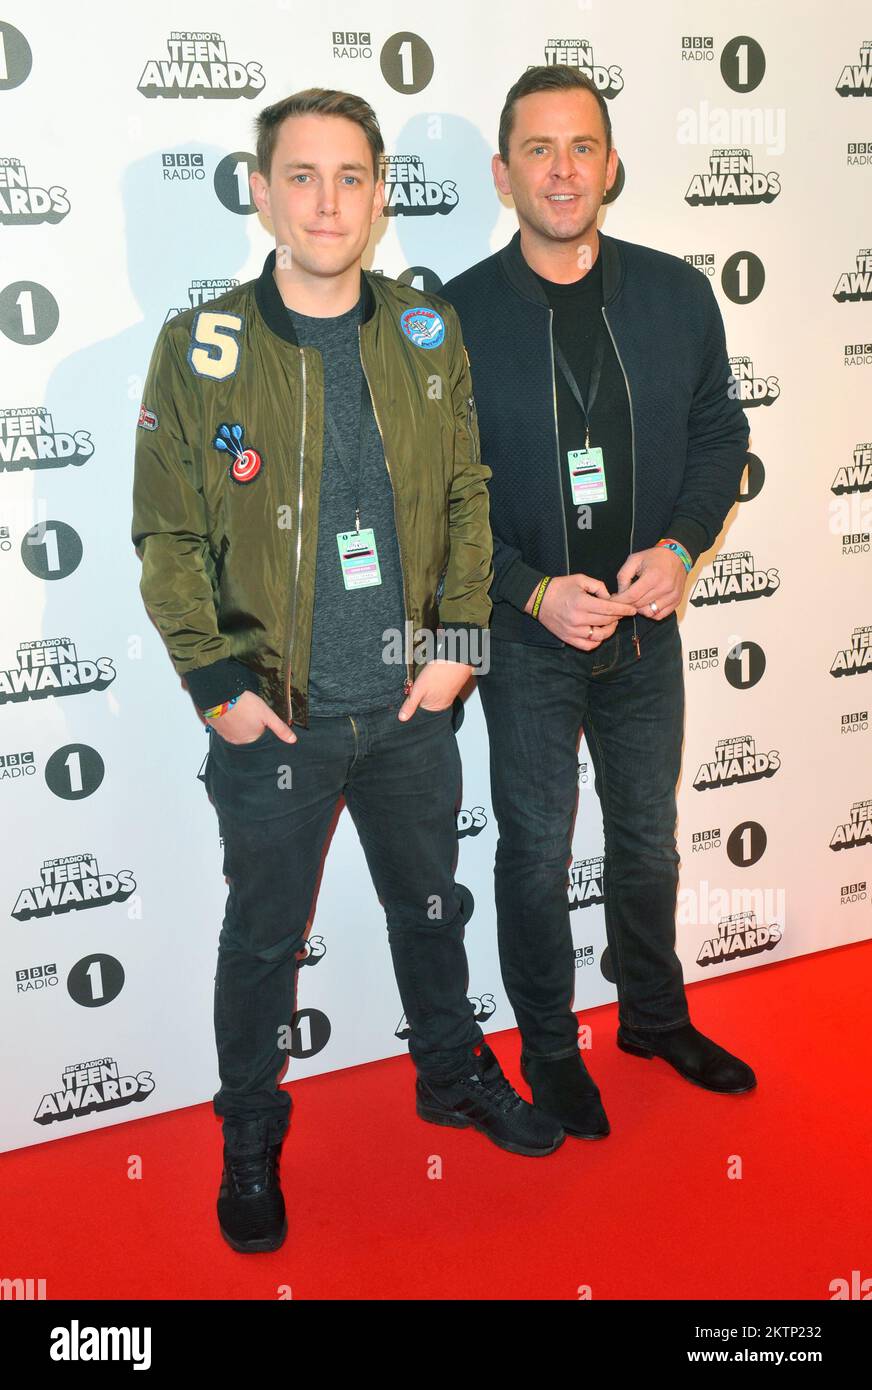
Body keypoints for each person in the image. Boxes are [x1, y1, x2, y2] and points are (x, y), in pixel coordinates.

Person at [131, 87, 564, 1254]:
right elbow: (167, 530)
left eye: (351, 177)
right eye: (303, 176)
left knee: (431, 910)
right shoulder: (203, 346)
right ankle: (248, 1133)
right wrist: (217, 685)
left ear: (378, 196)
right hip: (282, 719)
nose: (329, 201)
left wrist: (459, 653)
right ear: (261, 192)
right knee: (264, 940)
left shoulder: (422, 329)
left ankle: (445, 1072)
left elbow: (470, 497)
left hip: (414, 710)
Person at [441, 65, 756, 1142]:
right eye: (537, 149)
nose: (561, 170)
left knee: (649, 837)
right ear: (501, 172)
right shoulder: (453, 316)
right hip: (526, 635)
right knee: (530, 849)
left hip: (643, 627)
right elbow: (435, 491)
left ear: (611, 164)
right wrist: (525, 590)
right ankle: (544, 1045)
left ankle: (652, 1016)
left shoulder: (675, 293)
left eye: (580, 147)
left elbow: (720, 435)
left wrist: (678, 546)